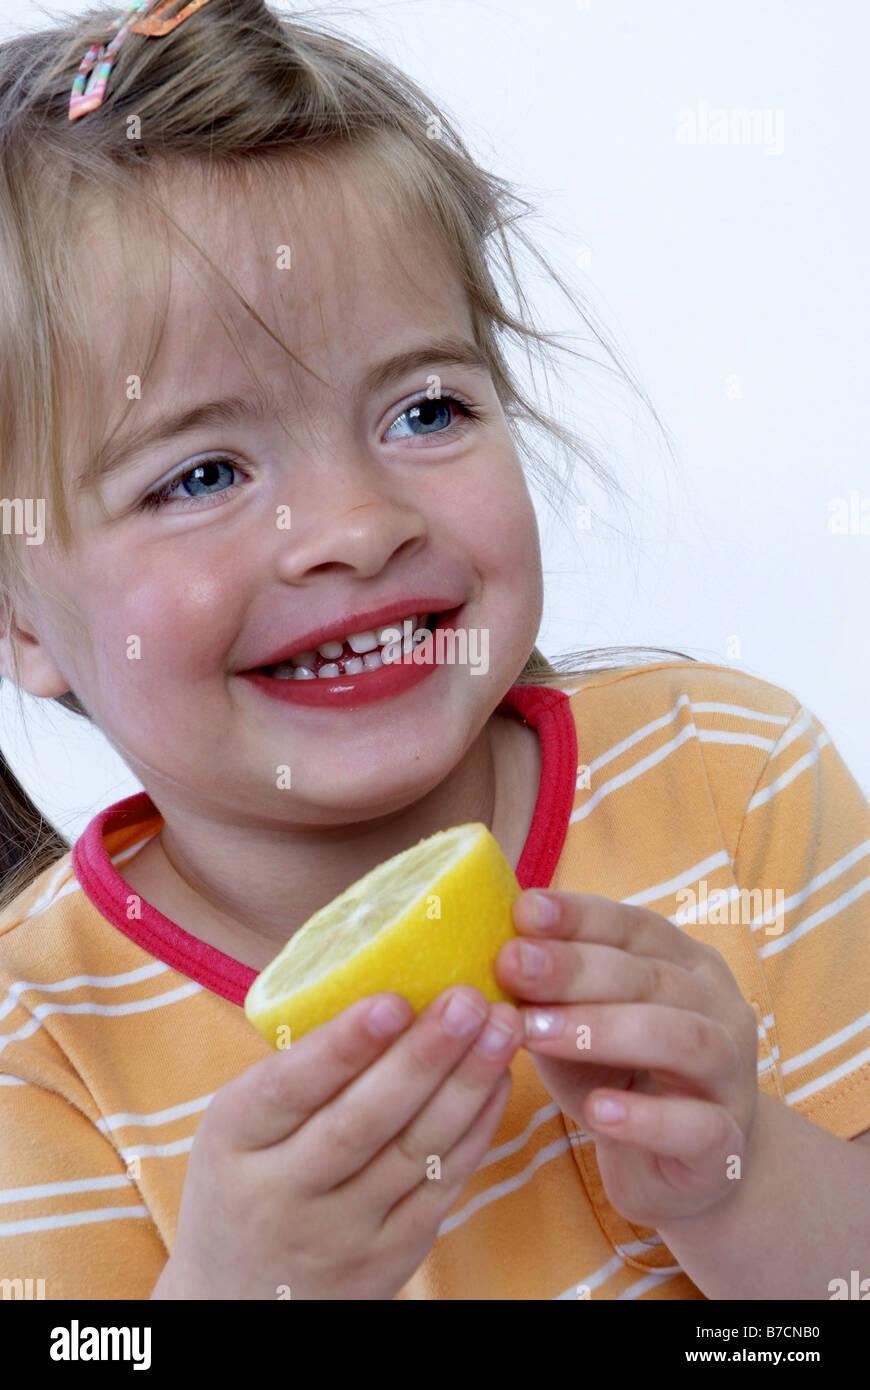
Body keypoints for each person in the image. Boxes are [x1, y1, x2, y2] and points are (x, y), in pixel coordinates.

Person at [0, 0, 867, 1301]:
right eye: (200, 474)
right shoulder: (35, 1043)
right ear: (21, 618)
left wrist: (745, 1179)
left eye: (423, 406)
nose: (351, 527)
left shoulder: (728, 778)